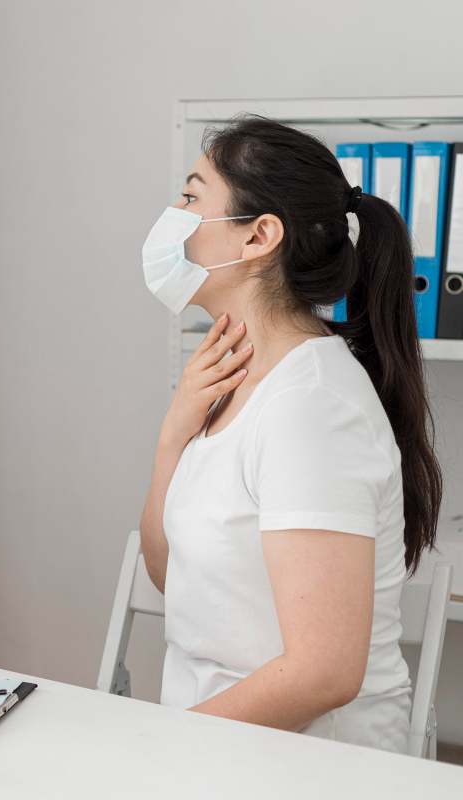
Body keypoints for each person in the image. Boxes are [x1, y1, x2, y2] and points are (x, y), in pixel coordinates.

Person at [139, 116, 442, 753]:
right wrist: (175, 434)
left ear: (259, 236)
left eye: (192, 197)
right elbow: (172, 574)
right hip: (216, 746)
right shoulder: (232, 378)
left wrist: (162, 746)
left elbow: (322, 672)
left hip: (308, 764)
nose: (174, 214)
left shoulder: (313, 406)